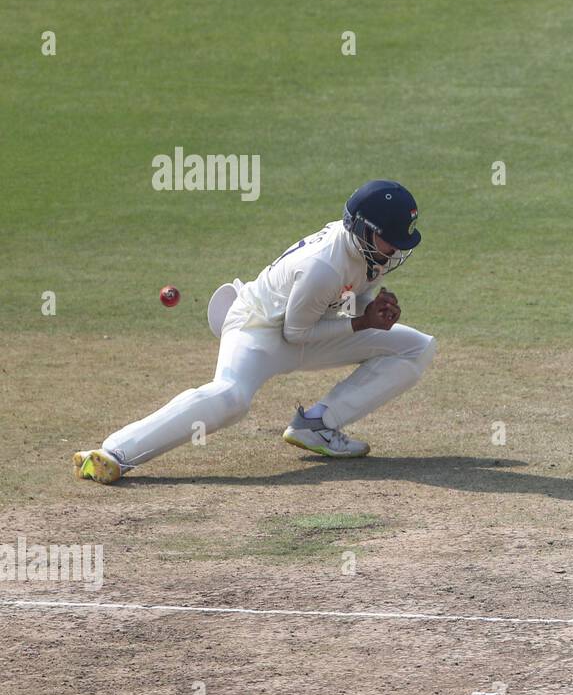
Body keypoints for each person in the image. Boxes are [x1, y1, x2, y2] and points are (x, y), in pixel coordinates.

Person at [74, 180, 436, 483]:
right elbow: (297, 334)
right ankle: (114, 453)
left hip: (306, 328)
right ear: (366, 230)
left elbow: (333, 306)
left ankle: (317, 425)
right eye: (392, 241)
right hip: (259, 330)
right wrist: (362, 321)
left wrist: (366, 310)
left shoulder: (372, 252)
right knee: (232, 399)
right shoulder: (322, 266)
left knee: (414, 348)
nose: (397, 251)